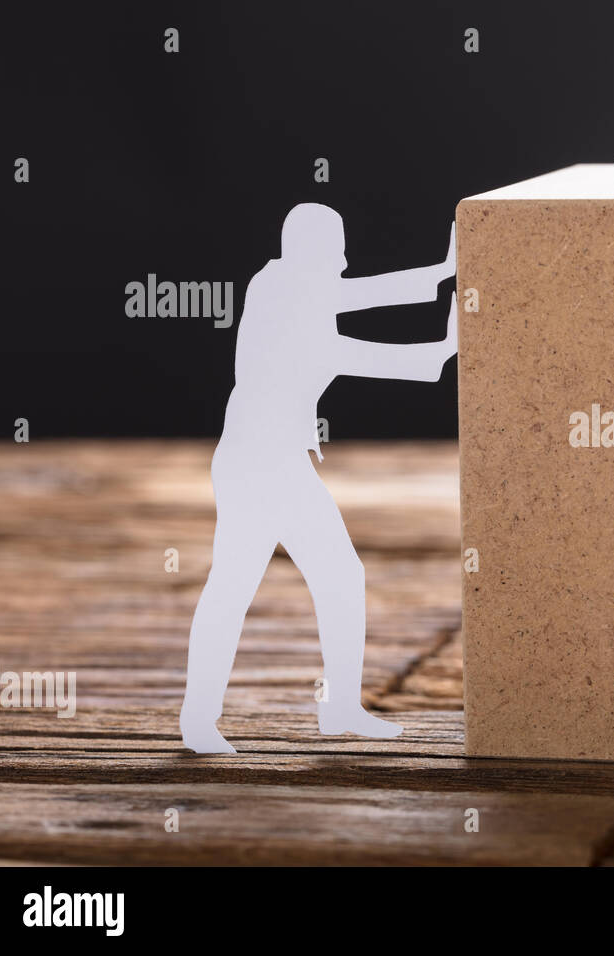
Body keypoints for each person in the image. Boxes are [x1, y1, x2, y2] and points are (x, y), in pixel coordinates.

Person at [180, 202, 457, 753]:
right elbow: (354, 346)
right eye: (336, 252)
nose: (345, 263)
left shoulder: (287, 287)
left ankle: (338, 708)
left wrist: (441, 274)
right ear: (309, 254)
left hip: (271, 462)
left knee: (333, 577)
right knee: (236, 587)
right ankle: (200, 719)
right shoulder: (286, 300)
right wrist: (441, 349)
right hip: (262, 465)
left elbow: (361, 294)